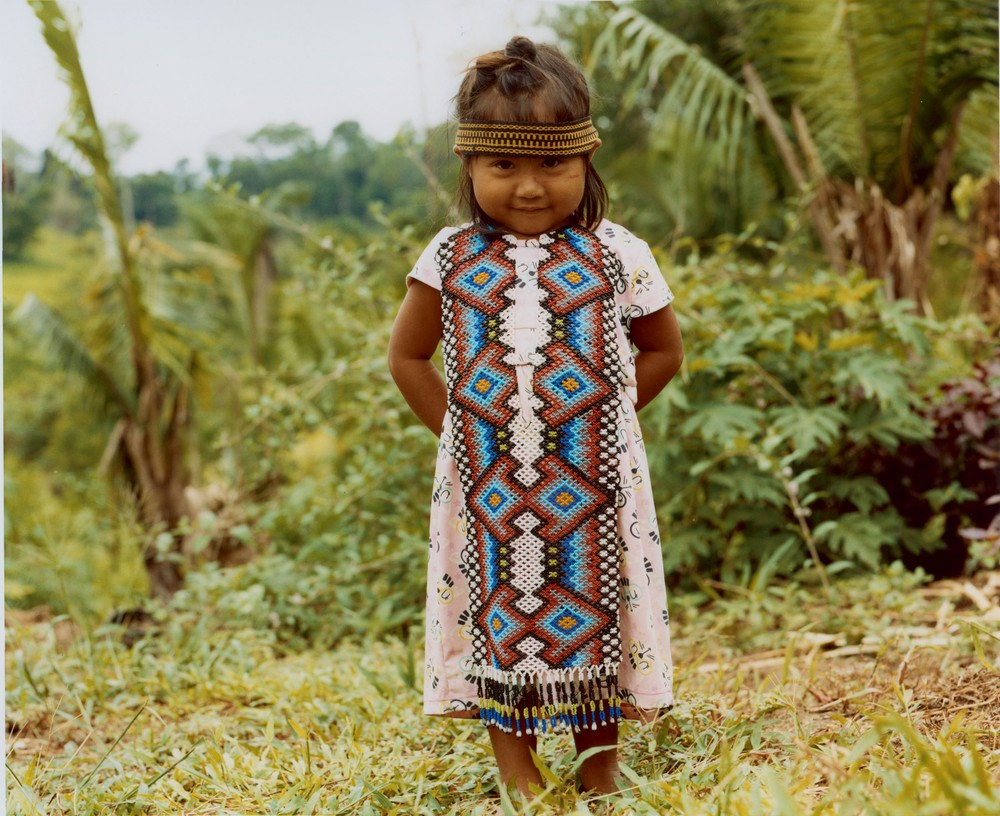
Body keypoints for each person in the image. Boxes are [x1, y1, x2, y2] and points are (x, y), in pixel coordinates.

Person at [388, 35, 683, 800]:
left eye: (551, 164)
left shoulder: (619, 254)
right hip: (487, 492)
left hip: (597, 488)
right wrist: (464, 439)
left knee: (598, 610)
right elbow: (409, 359)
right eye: (504, 166)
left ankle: (599, 771)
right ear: (470, 166)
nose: (528, 187)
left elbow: (662, 350)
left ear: (584, 160)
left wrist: (601, 427)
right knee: (498, 616)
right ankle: (517, 776)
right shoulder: (448, 258)